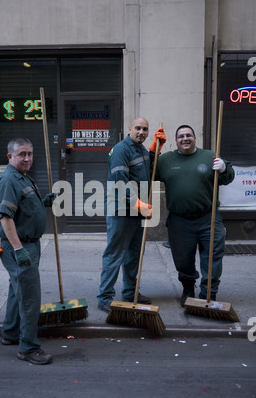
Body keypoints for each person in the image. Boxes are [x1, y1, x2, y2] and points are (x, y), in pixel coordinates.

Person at [156, 124, 235, 307]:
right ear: (176, 141)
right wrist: (154, 151)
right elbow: (147, 174)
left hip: (208, 218)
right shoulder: (165, 160)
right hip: (179, 220)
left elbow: (228, 177)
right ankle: (188, 288)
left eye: (189, 135)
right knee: (183, 259)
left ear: (194, 138)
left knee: (212, 257)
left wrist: (224, 169)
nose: (185, 138)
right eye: (181, 136)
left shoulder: (209, 156)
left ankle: (209, 292)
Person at [0, 138, 56, 365]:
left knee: (16, 289)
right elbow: (6, 217)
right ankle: (28, 348)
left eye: (29, 154)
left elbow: (23, 207)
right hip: (19, 246)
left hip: (29, 244)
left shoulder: (23, 177)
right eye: (21, 154)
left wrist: (43, 202)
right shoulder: (9, 180)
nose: (27, 158)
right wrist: (19, 249)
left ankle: (10, 332)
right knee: (30, 297)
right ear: (10, 157)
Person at [97, 117, 166, 312]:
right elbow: (120, 180)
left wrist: (155, 148)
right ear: (130, 129)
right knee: (115, 254)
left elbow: (147, 169)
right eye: (138, 128)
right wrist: (137, 203)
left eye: (145, 129)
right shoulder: (121, 149)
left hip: (136, 212)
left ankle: (129, 292)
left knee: (134, 254)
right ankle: (104, 297)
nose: (141, 132)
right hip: (121, 210)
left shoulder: (141, 149)